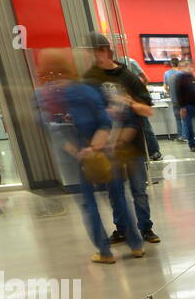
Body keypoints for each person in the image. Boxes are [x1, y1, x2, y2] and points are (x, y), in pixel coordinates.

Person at [37, 48, 142, 263]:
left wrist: (79, 152)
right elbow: (105, 121)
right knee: (119, 197)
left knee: (88, 204)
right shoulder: (86, 90)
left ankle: (104, 253)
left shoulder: (42, 95)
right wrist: (95, 147)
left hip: (73, 161)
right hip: (102, 152)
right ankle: (136, 245)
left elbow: (52, 129)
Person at [83, 34, 159, 245]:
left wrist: (130, 102)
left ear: (106, 51)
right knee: (114, 191)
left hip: (131, 144)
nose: (95, 56)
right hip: (106, 145)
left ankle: (146, 227)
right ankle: (122, 229)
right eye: (91, 52)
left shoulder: (127, 75)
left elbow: (147, 107)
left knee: (138, 190)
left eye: (98, 51)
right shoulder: (90, 78)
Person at [162, 56, 185, 140]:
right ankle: (186, 135)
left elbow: (165, 87)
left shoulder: (167, 73)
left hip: (174, 99)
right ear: (178, 64)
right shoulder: (182, 73)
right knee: (184, 117)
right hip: (183, 99)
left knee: (178, 118)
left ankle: (180, 136)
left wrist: (170, 93)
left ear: (171, 64)